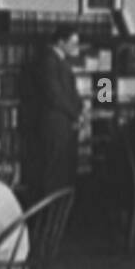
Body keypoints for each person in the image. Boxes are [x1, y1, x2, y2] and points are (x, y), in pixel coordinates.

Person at [29, 27, 83, 198]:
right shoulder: (48, 60)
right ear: (60, 42)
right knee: (55, 171)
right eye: (73, 42)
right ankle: (52, 213)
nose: (77, 47)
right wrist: (76, 114)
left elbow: (70, 91)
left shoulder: (61, 61)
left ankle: (61, 209)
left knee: (64, 169)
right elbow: (55, 94)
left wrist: (80, 111)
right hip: (55, 124)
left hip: (65, 123)